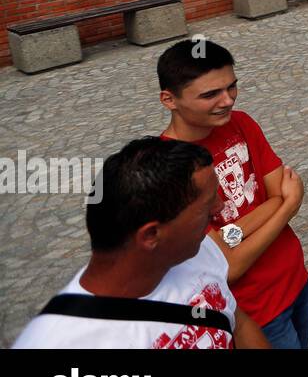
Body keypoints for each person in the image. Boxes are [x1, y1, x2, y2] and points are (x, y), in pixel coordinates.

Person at [13, 137, 269, 348]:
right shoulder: (58, 342)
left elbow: (237, 322)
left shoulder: (196, 249)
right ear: (150, 236)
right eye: (206, 206)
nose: (220, 208)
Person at [157, 39, 308, 348]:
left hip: (296, 280)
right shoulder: (166, 168)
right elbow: (228, 267)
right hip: (254, 310)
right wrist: (287, 207)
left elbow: (276, 194)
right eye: (211, 94)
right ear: (169, 100)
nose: (227, 100)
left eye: (232, 87)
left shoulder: (241, 123)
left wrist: (233, 232)